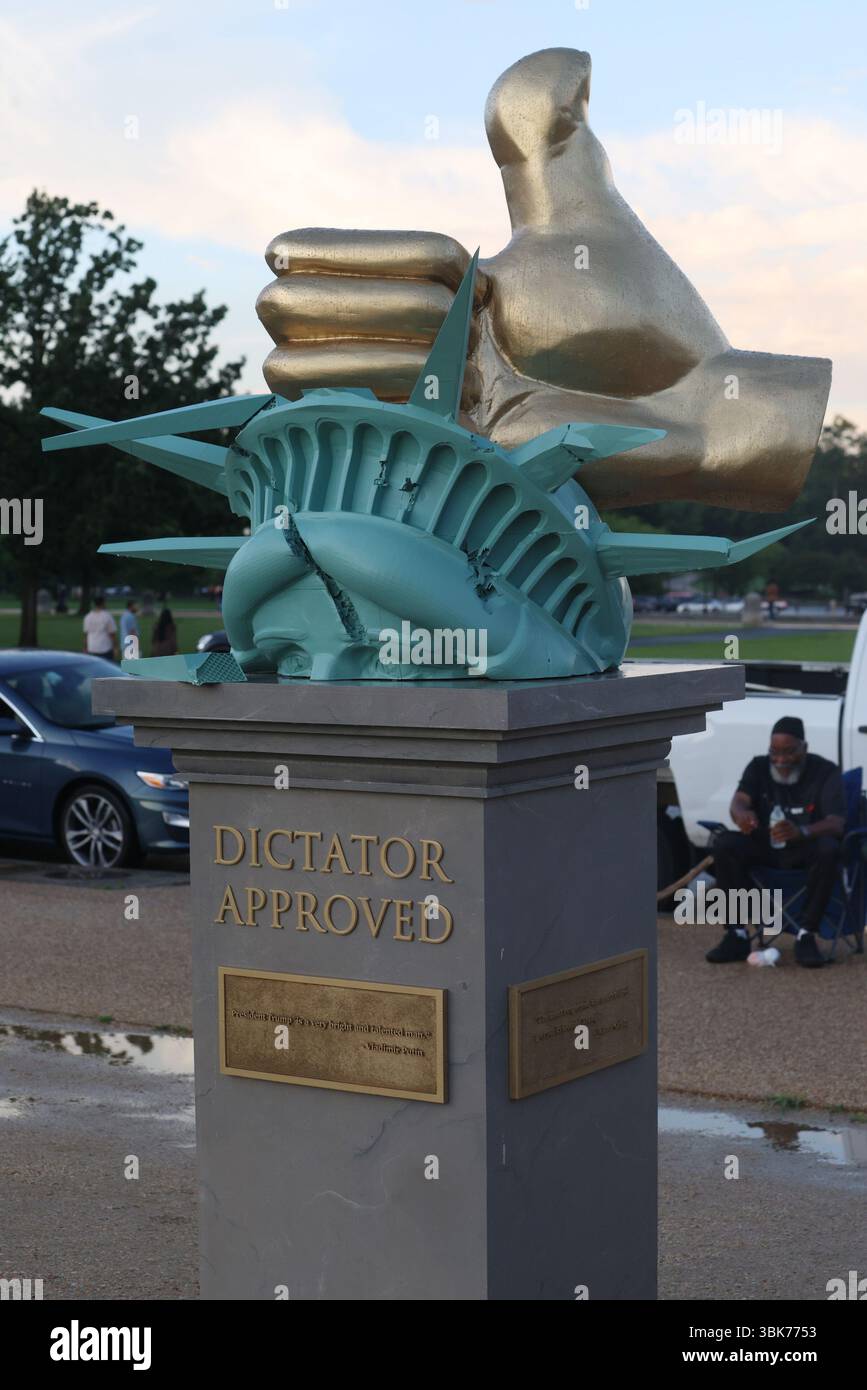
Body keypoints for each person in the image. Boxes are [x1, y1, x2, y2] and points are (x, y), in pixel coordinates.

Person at [706, 717, 845, 968]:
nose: (780, 759)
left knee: (829, 848)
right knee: (725, 843)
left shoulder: (825, 771)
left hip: (804, 848)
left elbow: (836, 823)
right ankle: (736, 934)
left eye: (789, 752)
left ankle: (806, 935)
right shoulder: (758, 766)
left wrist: (800, 831)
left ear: (804, 748)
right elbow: (739, 802)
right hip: (766, 847)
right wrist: (742, 815)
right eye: (775, 752)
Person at [82, 594, 118, 663]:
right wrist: (115, 648)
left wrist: (85, 648)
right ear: (103, 603)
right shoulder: (107, 616)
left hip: (92, 648)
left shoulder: (88, 616)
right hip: (105, 648)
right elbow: (112, 634)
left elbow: (86, 635)